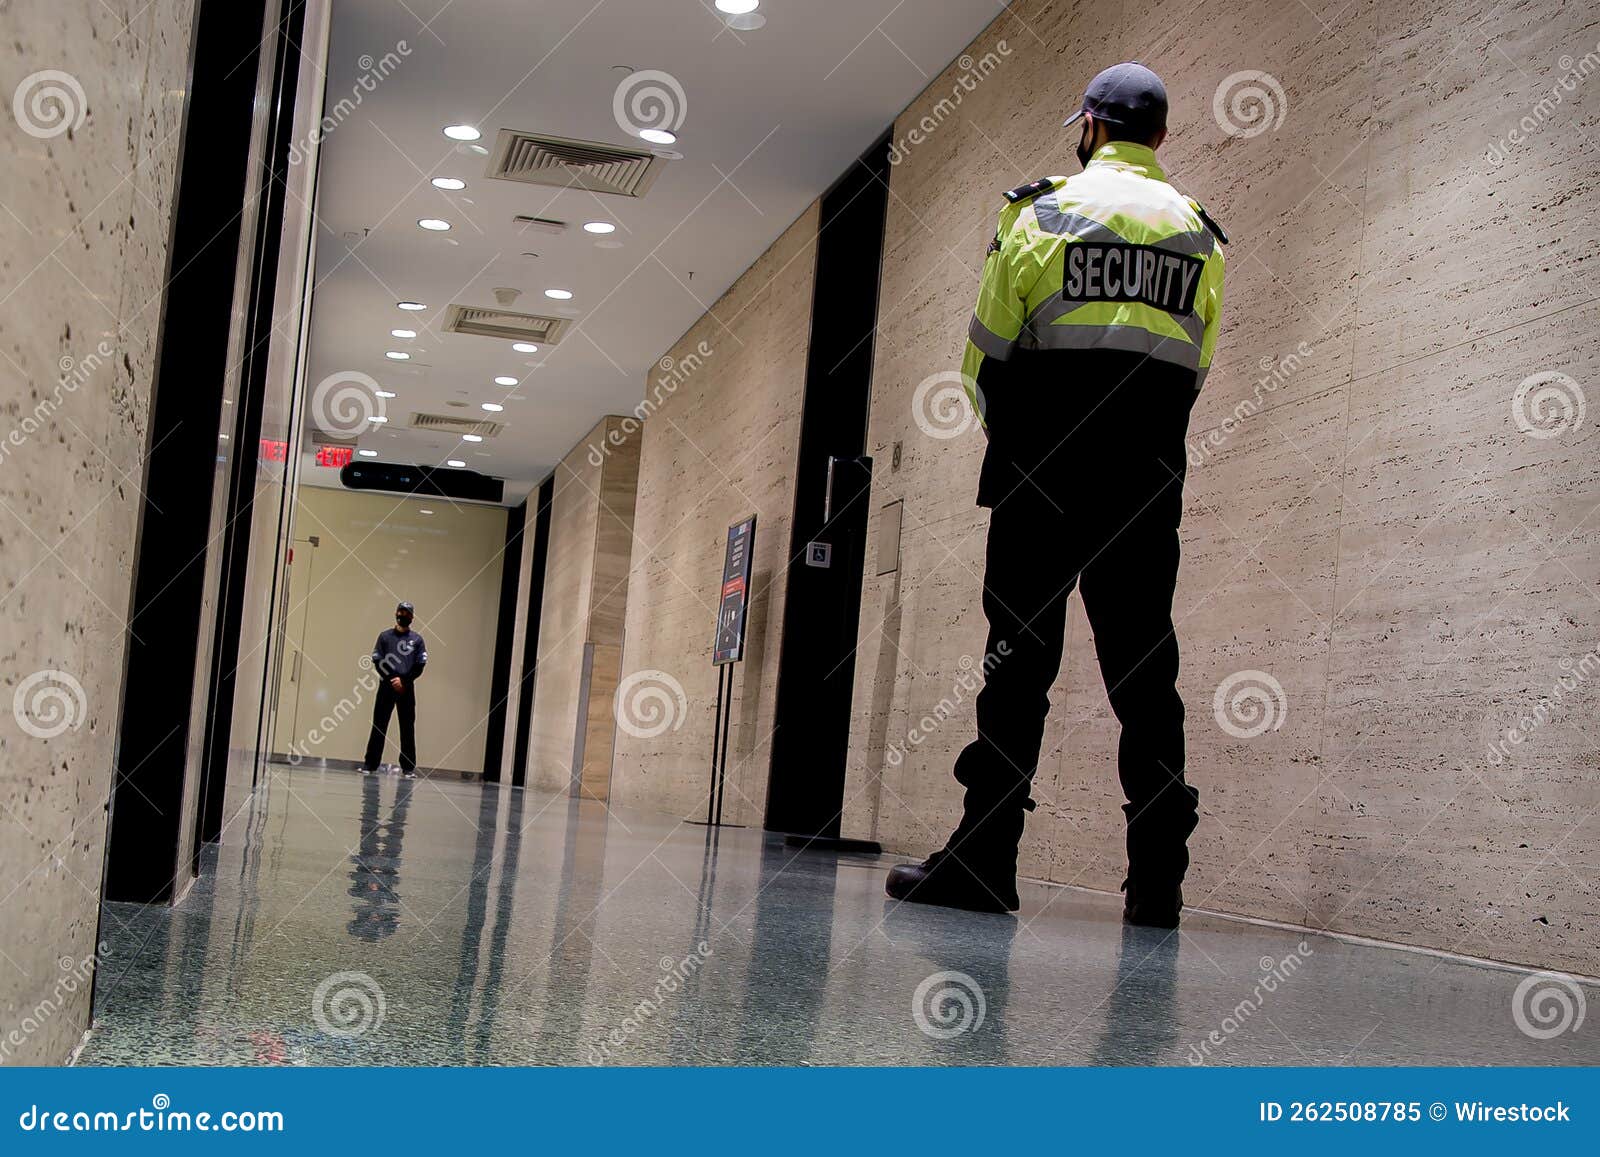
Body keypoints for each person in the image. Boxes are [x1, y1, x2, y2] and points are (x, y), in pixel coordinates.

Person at [886, 62, 1227, 928]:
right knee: (1147, 674)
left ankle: (986, 857)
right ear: (1159, 137)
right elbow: (1196, 371)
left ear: (1089, 126)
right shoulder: (1199, 236)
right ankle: (1157, 881)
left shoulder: (1038, 213)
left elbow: (984, 358)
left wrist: (1018, 442)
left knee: (1018, 664)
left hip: (1042, 476)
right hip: (1146, 484)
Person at [362, 600, 427, 779]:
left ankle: (408, 768)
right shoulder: (384, 637)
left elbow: (420, 665)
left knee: (407, 727)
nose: (402, 615)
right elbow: (377, 660)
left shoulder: (417, 640)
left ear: (412, 617)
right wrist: (392, 678)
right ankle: (370, 764)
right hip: (386, 687)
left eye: (407, 613)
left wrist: (403, 681)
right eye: (400, 612)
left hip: (406, 689)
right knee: (379, 725)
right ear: (395, 613)